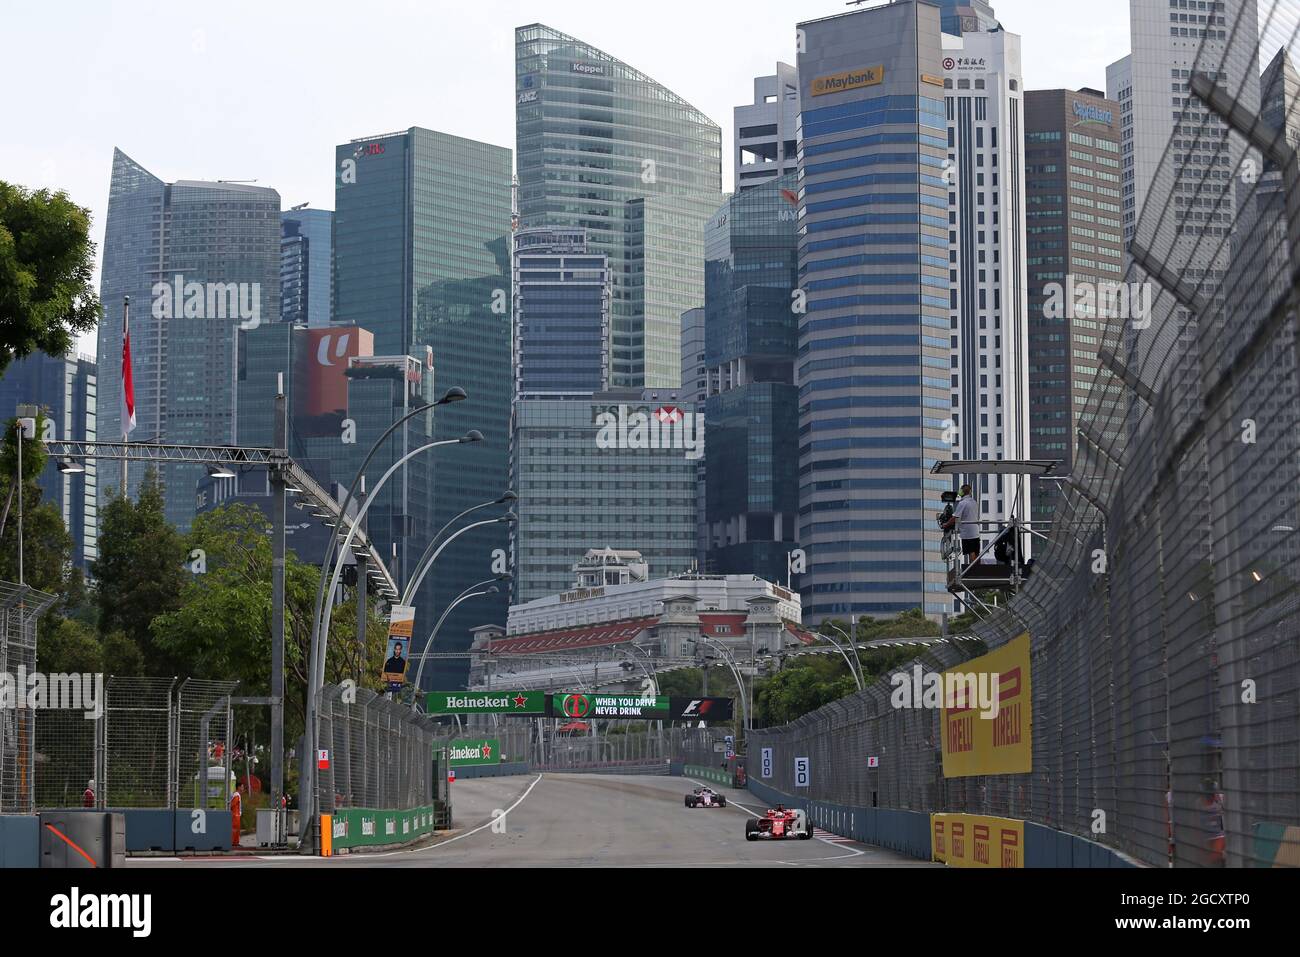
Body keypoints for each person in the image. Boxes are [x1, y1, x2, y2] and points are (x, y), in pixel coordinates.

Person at [944, 483, 982, 566]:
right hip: (975, 531)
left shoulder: (962, 503)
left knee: (971, 551)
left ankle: (972, 570)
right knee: (976, 552)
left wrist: (946, 524)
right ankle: (978, 569)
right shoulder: (974, 502)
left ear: (962, 492)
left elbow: (955, 517)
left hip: (967, 532)